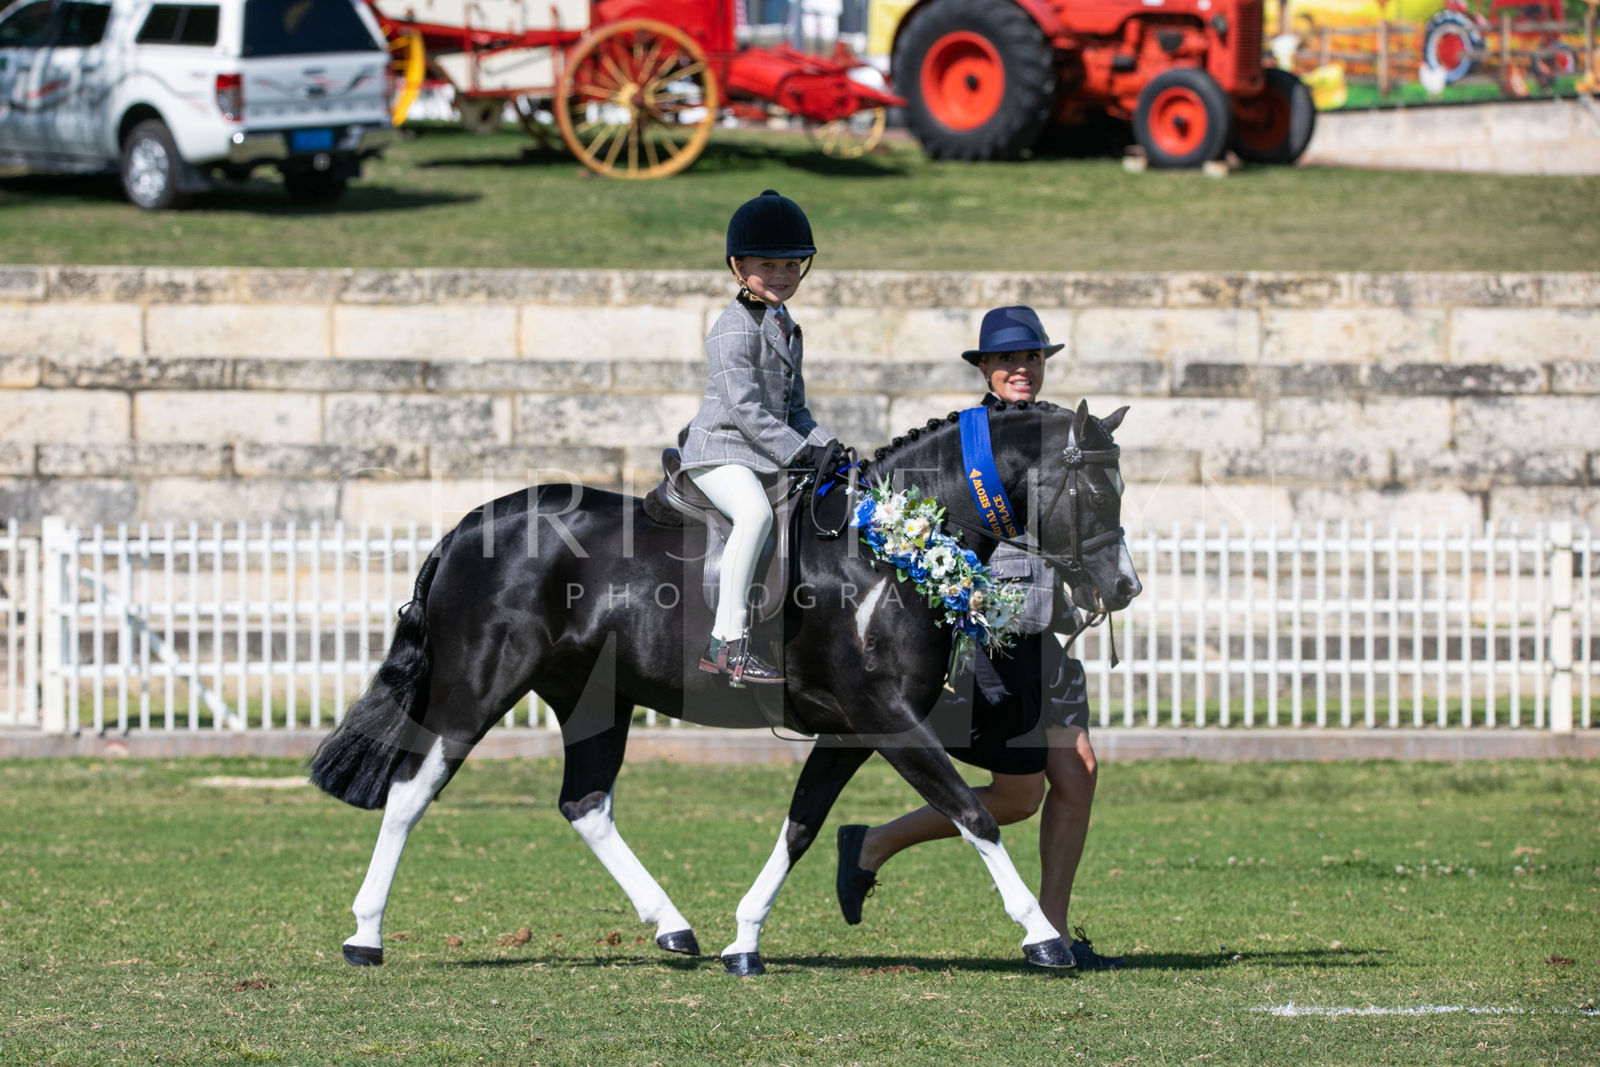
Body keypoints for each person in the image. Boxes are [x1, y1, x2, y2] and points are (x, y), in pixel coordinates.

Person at [834, 305, 1122, 969]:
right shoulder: (962, 444)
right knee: (1019, 796)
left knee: (1078, 776)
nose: (1021, 369)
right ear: (986, 369)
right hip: (992, 642)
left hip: (1048, 636)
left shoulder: (1060, 433)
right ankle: (873, 843)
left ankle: (1053, 930)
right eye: (1007, 360)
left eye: (1032, 359)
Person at [678, 190, 838, 688]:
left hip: (760, 452)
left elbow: (794, 409)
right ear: (737, 266)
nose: (782, 274)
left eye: (792, 265)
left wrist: (831, 447)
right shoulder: (731, 328)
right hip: (719, 451)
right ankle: (726, 645)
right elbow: (745, 411)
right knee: (755, 514)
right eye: (767, 264)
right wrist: (799, 450)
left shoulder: (787, 327)